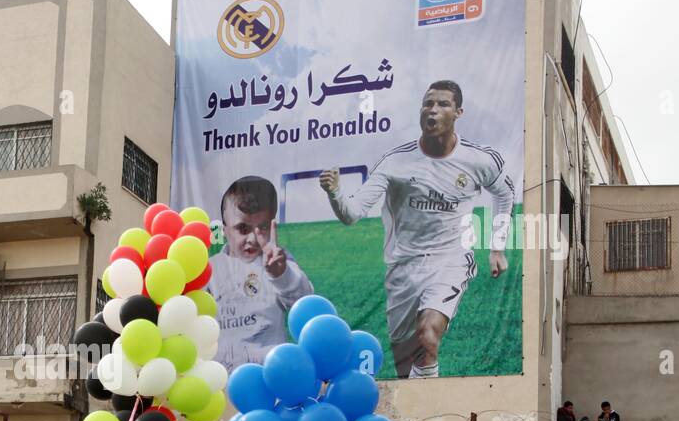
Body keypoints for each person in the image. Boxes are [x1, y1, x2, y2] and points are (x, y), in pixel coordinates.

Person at [320, 80, 515, 379]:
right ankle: (415, 418)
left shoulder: (479, 159)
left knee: (427, 335)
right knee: (405, 364)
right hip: (402, 267)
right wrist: (335, 192)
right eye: (428, 104)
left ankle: (432, 415)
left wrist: (497, 246)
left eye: (442, 104)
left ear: (458, 112)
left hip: (450, 259)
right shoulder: (395, 162)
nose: (433, 110)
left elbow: (504, 193)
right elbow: (352, 214)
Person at [207, 176, 315, 368]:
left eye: (263, 228)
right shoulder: (210, 270)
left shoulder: (278, 262)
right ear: (224, 230)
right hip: (221, 383)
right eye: (243, 228)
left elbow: (305, 303)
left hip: (270, 378)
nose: (253, 238)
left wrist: (281, 275)